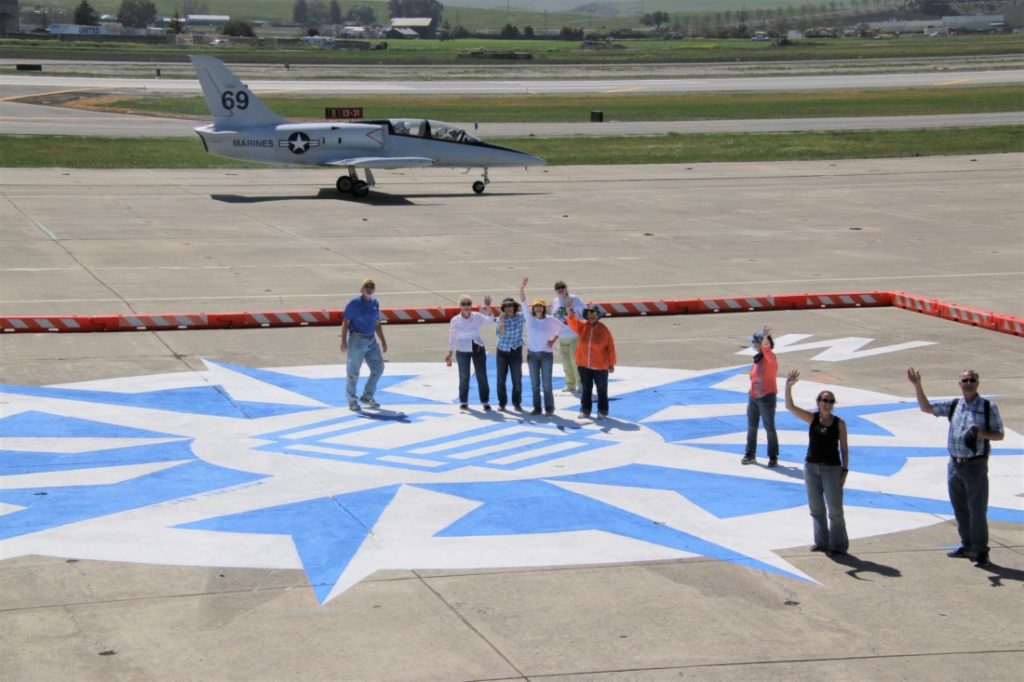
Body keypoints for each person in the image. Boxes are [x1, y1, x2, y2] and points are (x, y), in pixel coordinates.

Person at [906, 367, 1005, 567]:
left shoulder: (987, 407)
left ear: (978, 382)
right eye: (965, 380)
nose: (968, 383)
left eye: (972, 380)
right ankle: (966, 545)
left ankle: (980, 551)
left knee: (976, 510)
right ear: (959, 384)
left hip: (975, 464)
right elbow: (927, 408)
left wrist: (981, 434)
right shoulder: (955, 405)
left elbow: (999, 434)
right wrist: (918, 386)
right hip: (954, 463)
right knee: (960, 508)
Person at [784, 370, 850, 555]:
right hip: (811, 467)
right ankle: (821, 542)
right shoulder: (812, 419)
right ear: (818, 403)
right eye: (824, 400)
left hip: (832, 469)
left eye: (830, 401)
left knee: (835, 510)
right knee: (816, 508)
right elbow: (790, 406)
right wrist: (788, 387)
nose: (827, 404)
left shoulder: (839, 423)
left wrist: (845, 470)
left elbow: (844, 449)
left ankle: (839, 545)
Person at [520, 277, 566, 416]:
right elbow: (522, 301)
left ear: (544, 308)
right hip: (533, 355)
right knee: (535, 384)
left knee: (547, 384)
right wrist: (522, 287)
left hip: (546, 355)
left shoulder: (550, 320)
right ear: (533, 308)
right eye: (536, 306)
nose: (538, 308)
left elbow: (562, 328)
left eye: (540, 306)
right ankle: (537, 408)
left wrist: (553, 340)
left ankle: (549, 408)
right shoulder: (529, 318)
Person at [340, 278, 387, 411]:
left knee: (378, 368)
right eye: (367, 286)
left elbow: (377, 323)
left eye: (372, 286)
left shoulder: (375, 303)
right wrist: (343, 341)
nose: (369, 288)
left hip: (371, 340)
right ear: (361, 289)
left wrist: (383, 341)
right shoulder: (354, 304)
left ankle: (367, 395)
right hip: (357, 340)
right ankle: (352, 400)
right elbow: (346, 323)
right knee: (353, 372)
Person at [566, 303, 617, 420]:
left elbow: (610, 347)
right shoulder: (582, 326)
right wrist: (569, 311)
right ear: (586, 315)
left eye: (594, 313)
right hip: (584, 366)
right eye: (589, 313)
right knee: (586, 389)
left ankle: (603, 411)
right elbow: (572, 322)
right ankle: (585, 411)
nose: (592, 315)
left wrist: (611, 363)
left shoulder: (604, 330)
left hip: (600, 367)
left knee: (602, 390)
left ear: (598, 315)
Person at [446, 295, 494, 411]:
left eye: (468, 304)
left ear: (471, 306)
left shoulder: (477, 316)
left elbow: (490, 321)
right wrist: (450, 353)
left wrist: (488, 307)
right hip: (462, 350)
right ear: (460, 306)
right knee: (464, 376)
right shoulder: (455, 320)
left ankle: (485, 401)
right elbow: (452, 337)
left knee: (481, 375)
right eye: (463, 304)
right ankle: (464, 401)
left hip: (477, 348)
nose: (466, 306)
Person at [742, 326, 779, 467]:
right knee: (752, 427)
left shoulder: (770, 358)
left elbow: (767, 349)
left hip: (766, 397)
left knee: (769, 427)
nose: (753, 344)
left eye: (754, 342)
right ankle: (750, 454)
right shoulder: (758, 358)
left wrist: (765, 339)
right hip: (754, 397)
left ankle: (773, 456)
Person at [551, 280, 585, 395]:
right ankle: (570, 384)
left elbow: (585, 313)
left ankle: (581, 383)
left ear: (566, 288)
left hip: (575, 335)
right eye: (558, 288)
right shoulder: (555, 302)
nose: (560, 289)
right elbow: (554, 318)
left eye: (562, 287)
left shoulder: (574, 299)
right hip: (562, 337)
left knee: (575, 361)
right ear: (555, 291)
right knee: (566, 362)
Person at [494, 297, 525, 412]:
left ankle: (516, 403)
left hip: (516, 351)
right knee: (501, 380)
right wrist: (501, 322)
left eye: (510, 306)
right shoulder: (500, 318)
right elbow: (500, 334)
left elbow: (528, 311)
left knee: (517, 379)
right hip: (502, 352)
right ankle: (502, 403)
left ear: (515, 307)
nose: (508, 308)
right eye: (506, 306)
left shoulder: (521, 317)